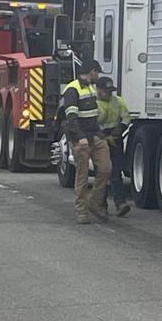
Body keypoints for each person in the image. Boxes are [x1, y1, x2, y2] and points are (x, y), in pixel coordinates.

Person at [61, 59, 111, 224]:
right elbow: (71, 117)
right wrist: (80, 137)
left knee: (105, 169)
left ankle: (94, 203)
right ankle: (81, 211)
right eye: (97, 72)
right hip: (80, 139)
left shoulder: (90, 87)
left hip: (95, 135)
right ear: (92, 71)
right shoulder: (72, 90)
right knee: (82, 176)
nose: (98, 76)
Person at [96, 76, 131, 217]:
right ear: (98, 90)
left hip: (115, 139)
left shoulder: (117, 101)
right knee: (103, 173)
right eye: (106, 91)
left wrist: (120, 128)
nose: (109, 94)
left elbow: (126, 117)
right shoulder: (93, 103)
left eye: (110, 91)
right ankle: (101, 206)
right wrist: (104, 137)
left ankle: (120, 203)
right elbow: (91, 124)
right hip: (99, 139)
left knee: (116, 172)